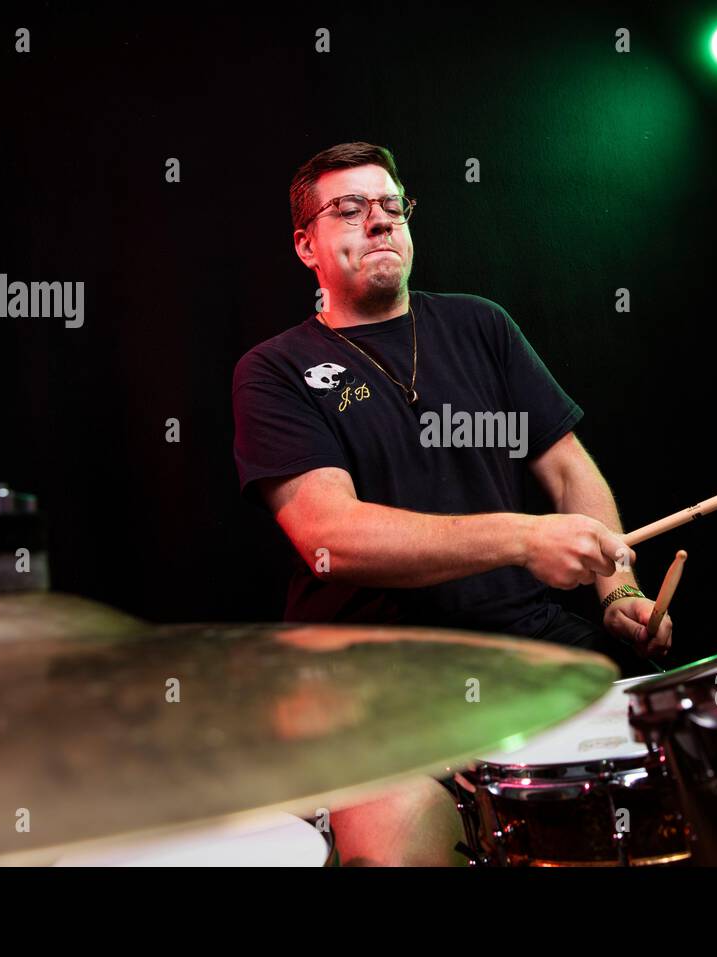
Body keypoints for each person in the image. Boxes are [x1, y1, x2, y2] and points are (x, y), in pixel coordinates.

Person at [232, 141, 673, 864]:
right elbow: (329, 534)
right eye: (349, 209)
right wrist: (523, 539)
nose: (378, 222)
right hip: (372, 675)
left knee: (683, 758)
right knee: (401, 840)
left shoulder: (480, 326)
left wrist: (617, 583)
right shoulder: (274, 369)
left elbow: (569, 474)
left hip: (524, 643)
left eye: (390, 206)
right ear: (305, 244)